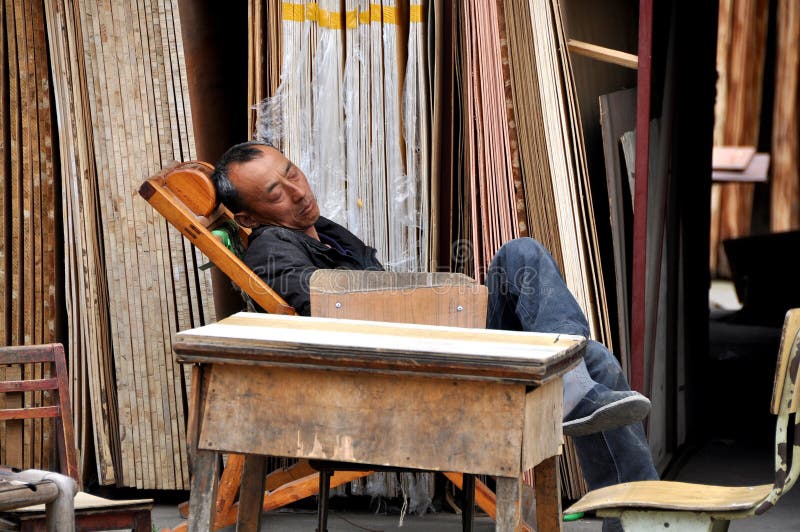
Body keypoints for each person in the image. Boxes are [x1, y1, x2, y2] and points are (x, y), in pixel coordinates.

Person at [212, 141, 658, 530]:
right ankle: (584, 405)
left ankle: (626, 492)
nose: (297, 191)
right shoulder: (271, 249)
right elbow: (330, 304)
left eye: (291, 172)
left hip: (429, 344)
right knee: (556, 308)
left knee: (573, 329)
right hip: (414, 373)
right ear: (248, 215)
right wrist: (430, 302)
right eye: (275, 192)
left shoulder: (322, 231)